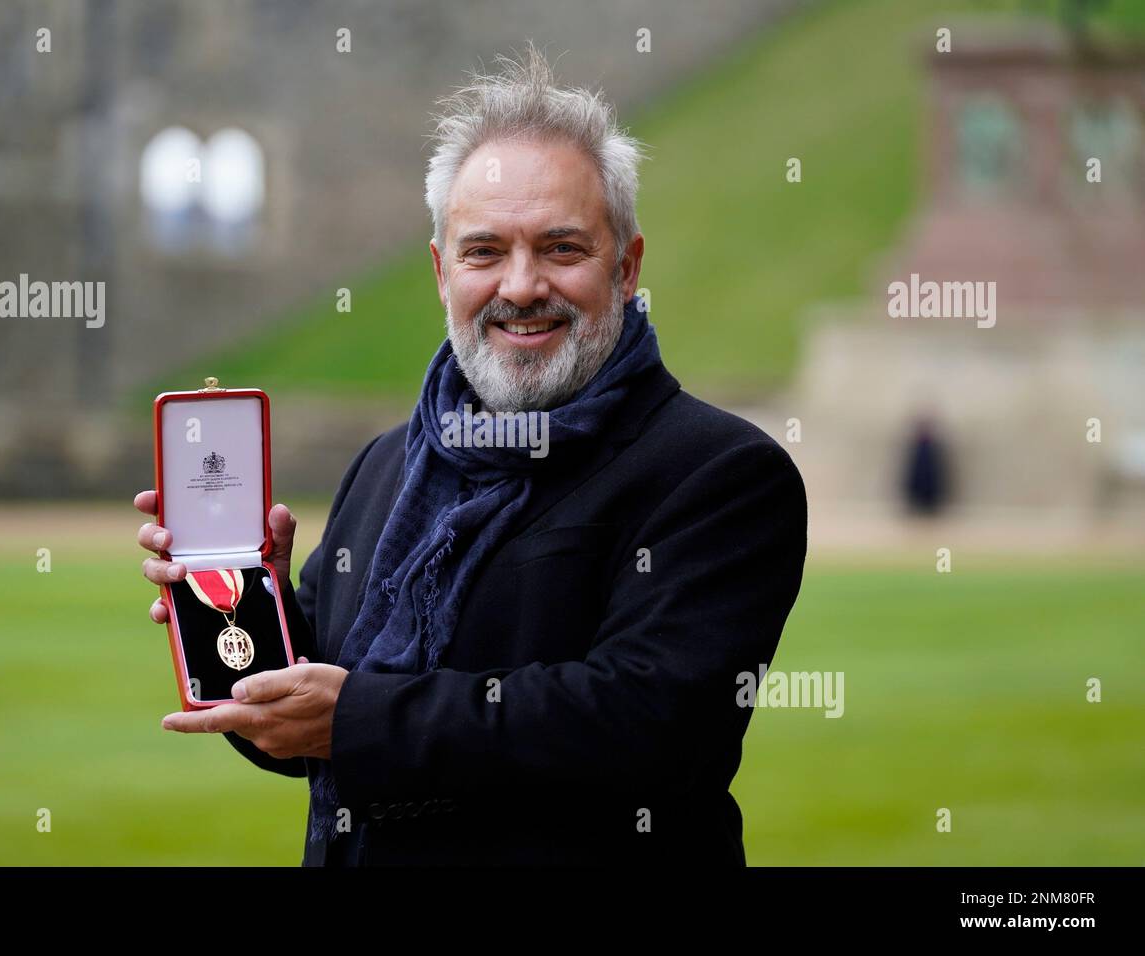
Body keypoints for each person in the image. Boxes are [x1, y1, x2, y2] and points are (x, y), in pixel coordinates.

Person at [134, 43, 807, 866]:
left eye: (562, 249)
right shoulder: (385, 465)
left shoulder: (719, 473)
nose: (521, 286)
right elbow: (307, 740)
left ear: (627, 267)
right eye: (484, 251)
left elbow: (647, 727)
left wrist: (356, 716)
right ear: (441, 271)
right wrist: (248, 612)